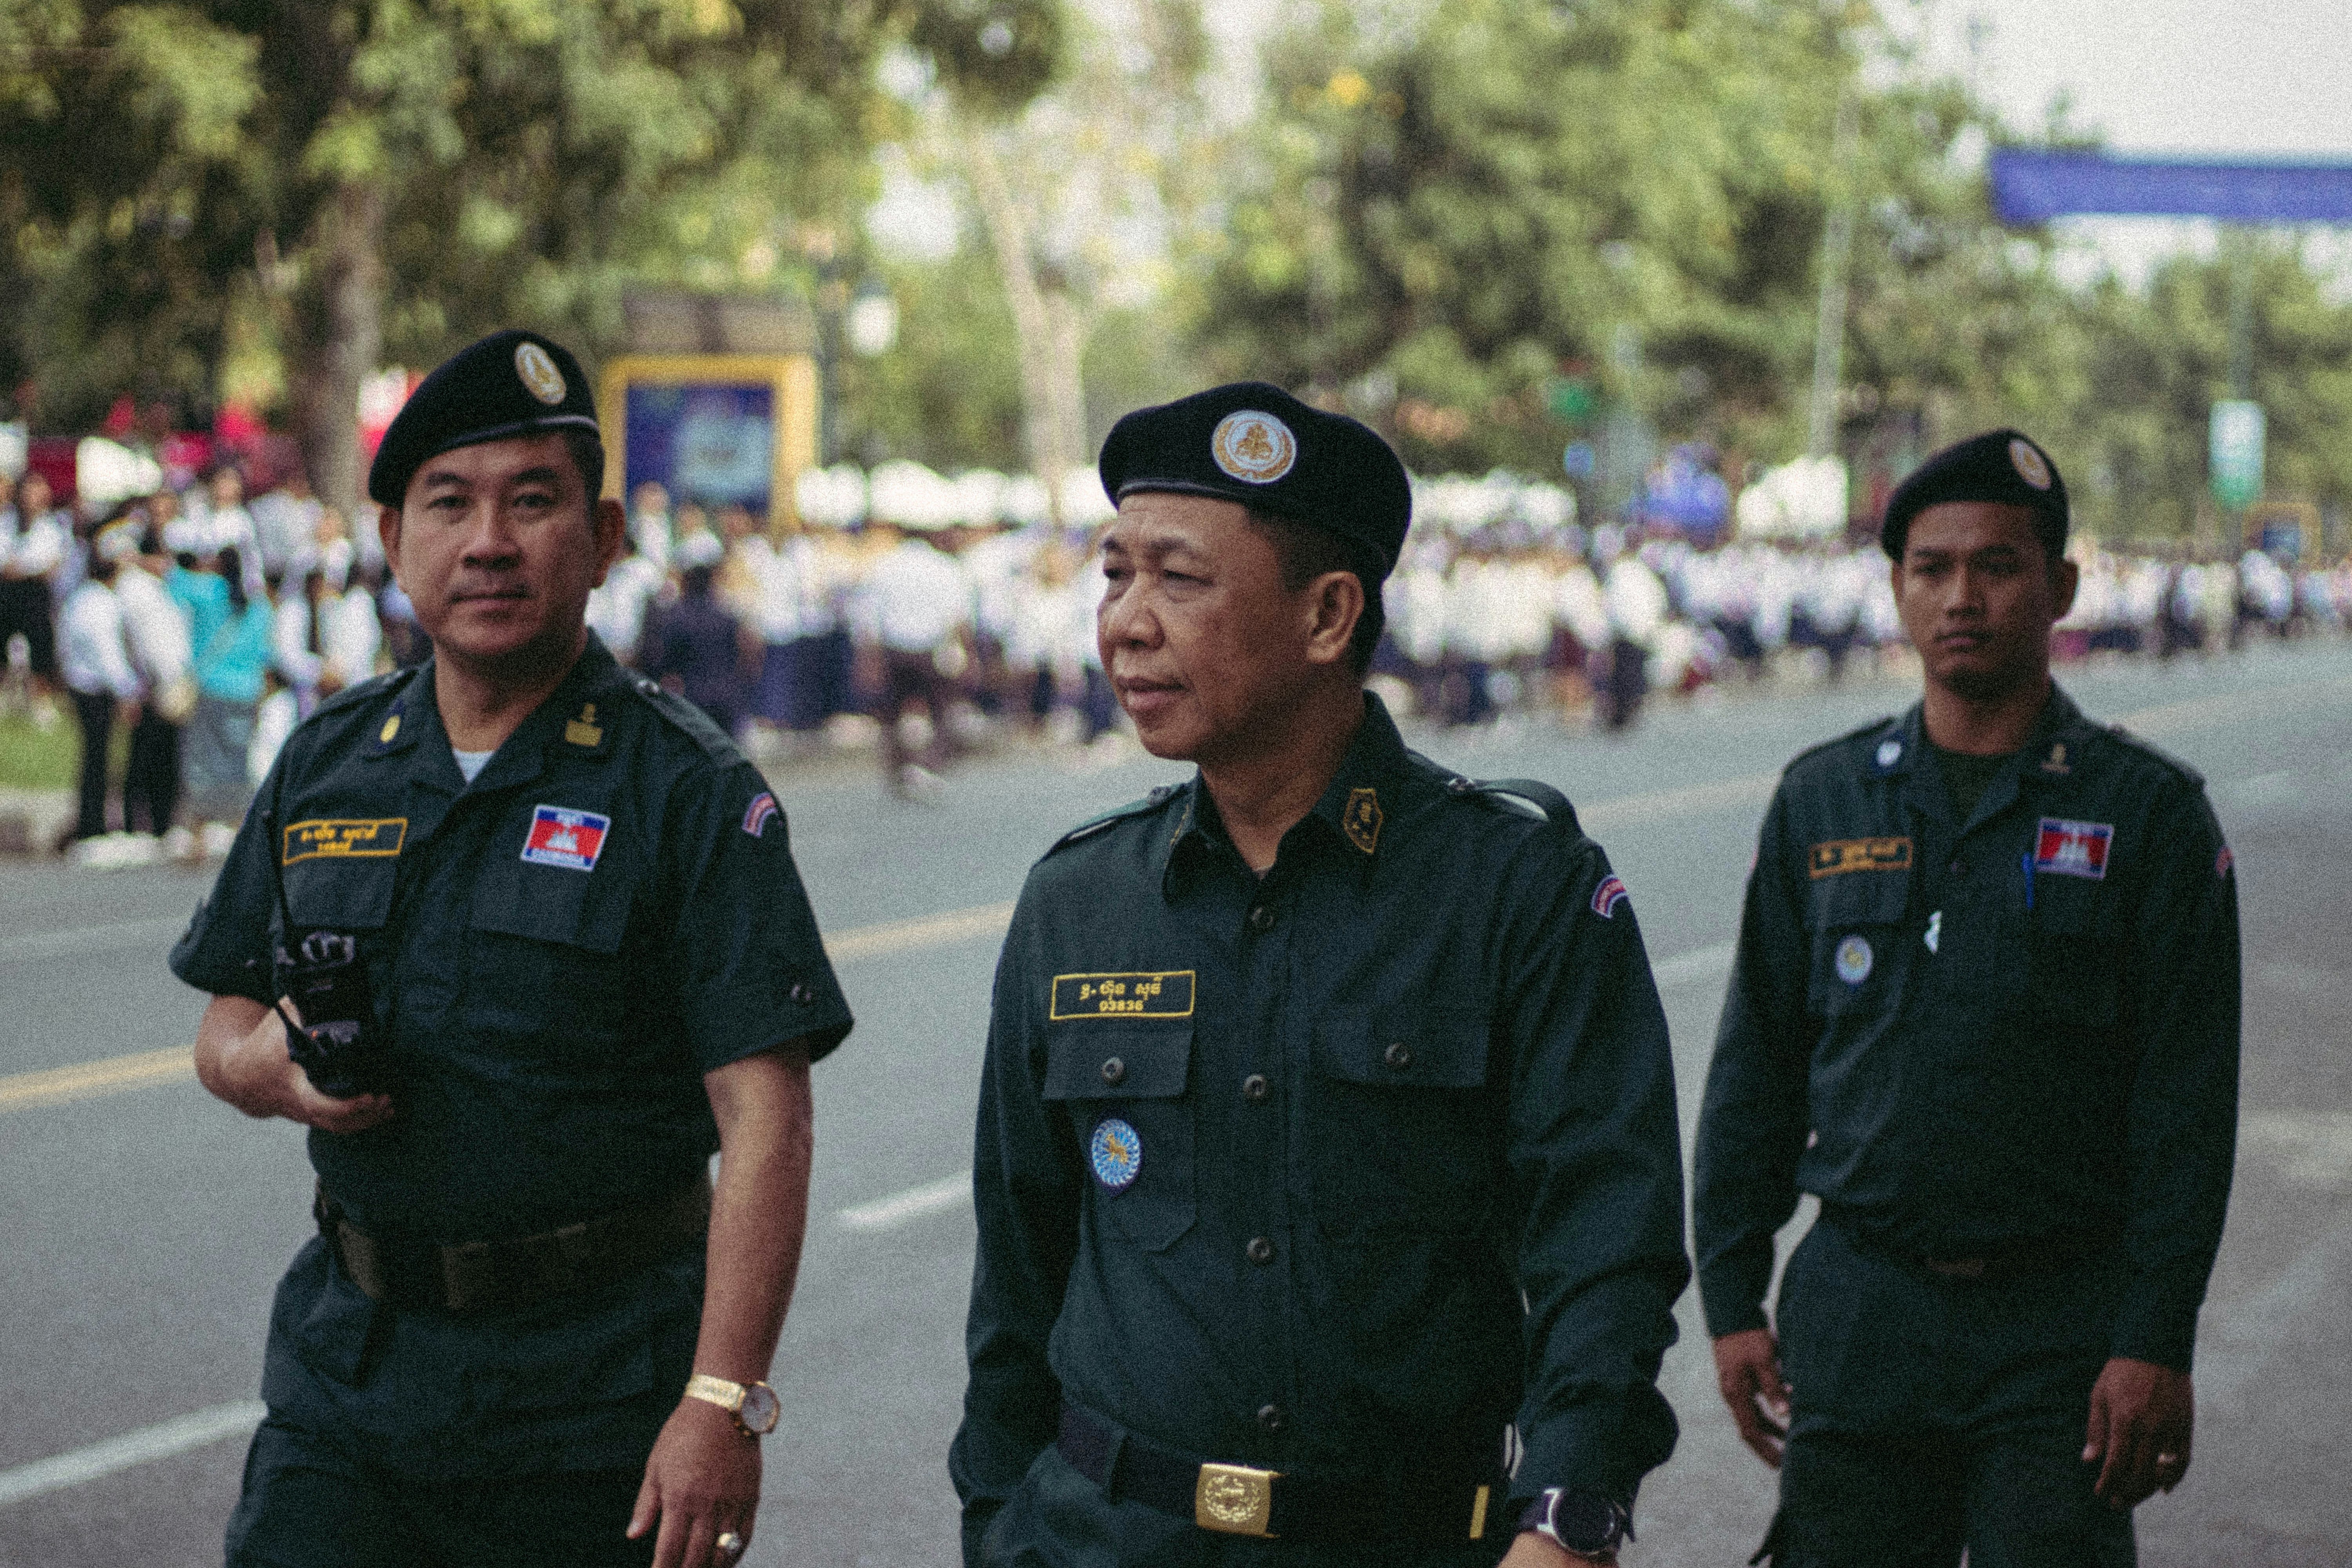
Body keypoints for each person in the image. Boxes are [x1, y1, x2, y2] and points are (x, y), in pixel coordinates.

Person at [953, 383, 1690, 1568]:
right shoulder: (1079, 902)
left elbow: (1605, 1244)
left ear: (1326, 614)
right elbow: (1017, 1278)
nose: (1125, 623)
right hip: (1105, 1541)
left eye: (1178, 579)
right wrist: (996, 1525)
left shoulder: (1513, 887)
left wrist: (1567, 1514)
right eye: (1113, 574)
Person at [169, 329, 854, 1568]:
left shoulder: (683, 789)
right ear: (391, 541)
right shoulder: (326, 760)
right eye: (450, 504)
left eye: (531, 502)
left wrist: (723, 1400)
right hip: (351, 1382)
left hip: (593, 1405)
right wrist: (265, 1072)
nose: (489, 540)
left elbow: (767, 1118)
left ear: (598, 540)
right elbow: (224, 1026)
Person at [1692, 430, 2241, 1568]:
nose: (1959, 597)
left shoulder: (2145, 814)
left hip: (2057, 1327)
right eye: (1927, 568)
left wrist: (2155, 1338)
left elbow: (2183, 1104)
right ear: (1894, 589)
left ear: (2061, 587)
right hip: (1859, 1313)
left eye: (1994, 565)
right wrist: (1732, 1293)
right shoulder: (1821, 798)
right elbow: (1756, 1065)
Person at [59, 527, 140, 843]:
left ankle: (91, 821)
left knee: (94, 757)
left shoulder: (79, 599)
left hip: (80, 686)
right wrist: (129, 690)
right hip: (96, 691)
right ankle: (93, 826)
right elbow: (109, 657)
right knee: (99, 759)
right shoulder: (104, 604)